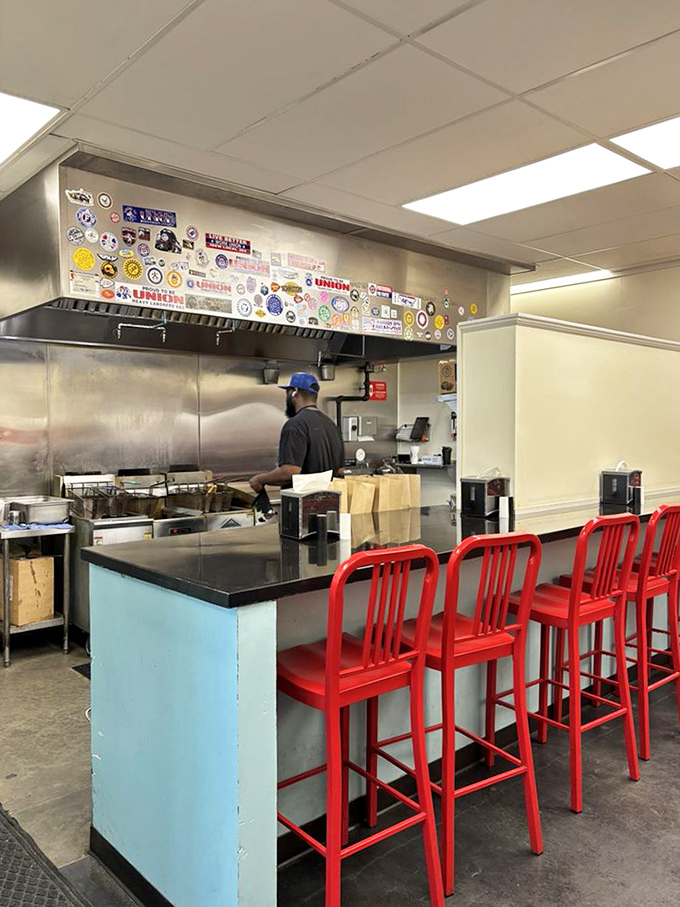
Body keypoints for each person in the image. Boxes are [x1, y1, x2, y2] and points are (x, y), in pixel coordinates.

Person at [249, 373, 344, 492]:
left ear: (295, 392)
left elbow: (290, 472)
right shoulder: (331, 425)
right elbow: (340, 471)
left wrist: (260, 479)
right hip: (330, 503)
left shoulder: (295, 425)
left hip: (303, 504)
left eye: (287, 393)